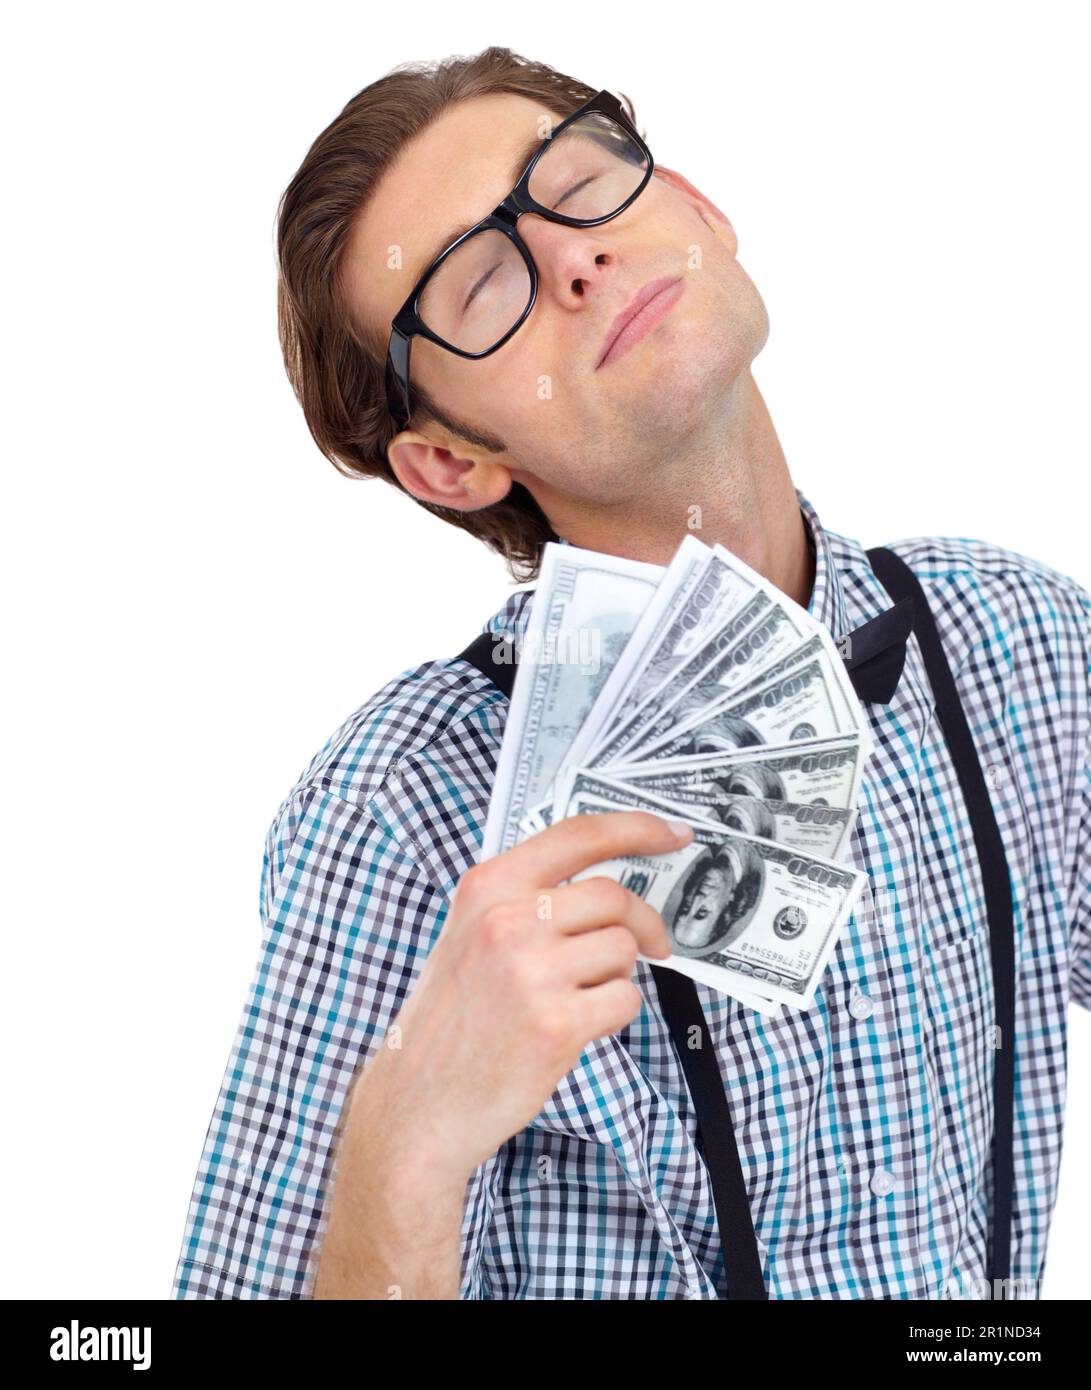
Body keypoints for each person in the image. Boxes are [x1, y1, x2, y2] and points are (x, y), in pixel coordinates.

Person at [171, 45, 1091, 1301]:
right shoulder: (401, 810)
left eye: (576, 180)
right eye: (476, 282)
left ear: (700, 211)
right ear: (446, 460)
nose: (568, 255)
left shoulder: (1018, 646)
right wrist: (408, 1145)